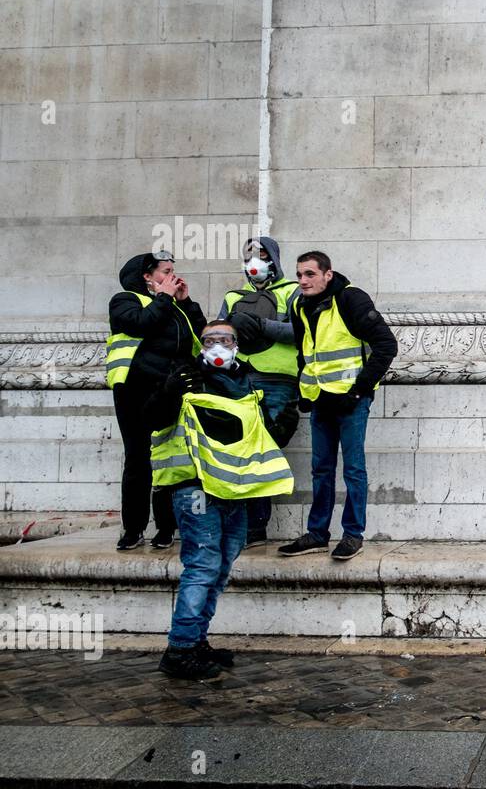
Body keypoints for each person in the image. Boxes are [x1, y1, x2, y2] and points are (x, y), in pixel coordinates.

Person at [145, 320, 294, 679]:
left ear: (236, 345)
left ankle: (196, 641)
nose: (216, 346)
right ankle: (179, 650)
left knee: (221, 569)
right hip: (196, 489)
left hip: (233, 492)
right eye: (209, 340)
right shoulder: (184, 376)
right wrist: (168, 391)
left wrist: (284, 421)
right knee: (202, 567)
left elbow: (260, 437)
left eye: (224, 340)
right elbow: (152, 417)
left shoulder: (249, 382)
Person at [278, 251, 396, 561]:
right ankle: (317, 533)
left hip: (350, 401)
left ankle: (353, 534)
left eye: (310, 274)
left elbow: (387, 346)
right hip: (320, 400)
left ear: (327, 274)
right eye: (299, 274)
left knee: (354, 469)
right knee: (321, 469)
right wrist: (303, 390)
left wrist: (359, 391)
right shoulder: (299, 305)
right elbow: (306, 353)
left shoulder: (350, 299)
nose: (303, 280)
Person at [106, 250, 204, 551]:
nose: (172, 276)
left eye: (173, 270)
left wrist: (185, 302)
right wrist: (164, 297)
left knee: (170, 456)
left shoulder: (175, 306)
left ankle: (166, 527)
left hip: (170, 388)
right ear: (147, 277)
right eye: (165, 271)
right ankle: (133, 528)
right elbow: (139, 324)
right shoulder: (125, 300)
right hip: (136, 389)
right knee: (138, 458)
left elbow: (201, 333)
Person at [217, 237, 300, 548]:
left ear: (274, 259)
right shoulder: (233, 295)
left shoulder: (291, 291)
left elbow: (301, 331)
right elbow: (218, 336)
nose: (255, 262)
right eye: (250, 255)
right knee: (238, 451)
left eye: (262, 255)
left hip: (278, 381)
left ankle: (256, 526)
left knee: (265, 451)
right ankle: (242, 526)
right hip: (238, 379)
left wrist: (261, 326)